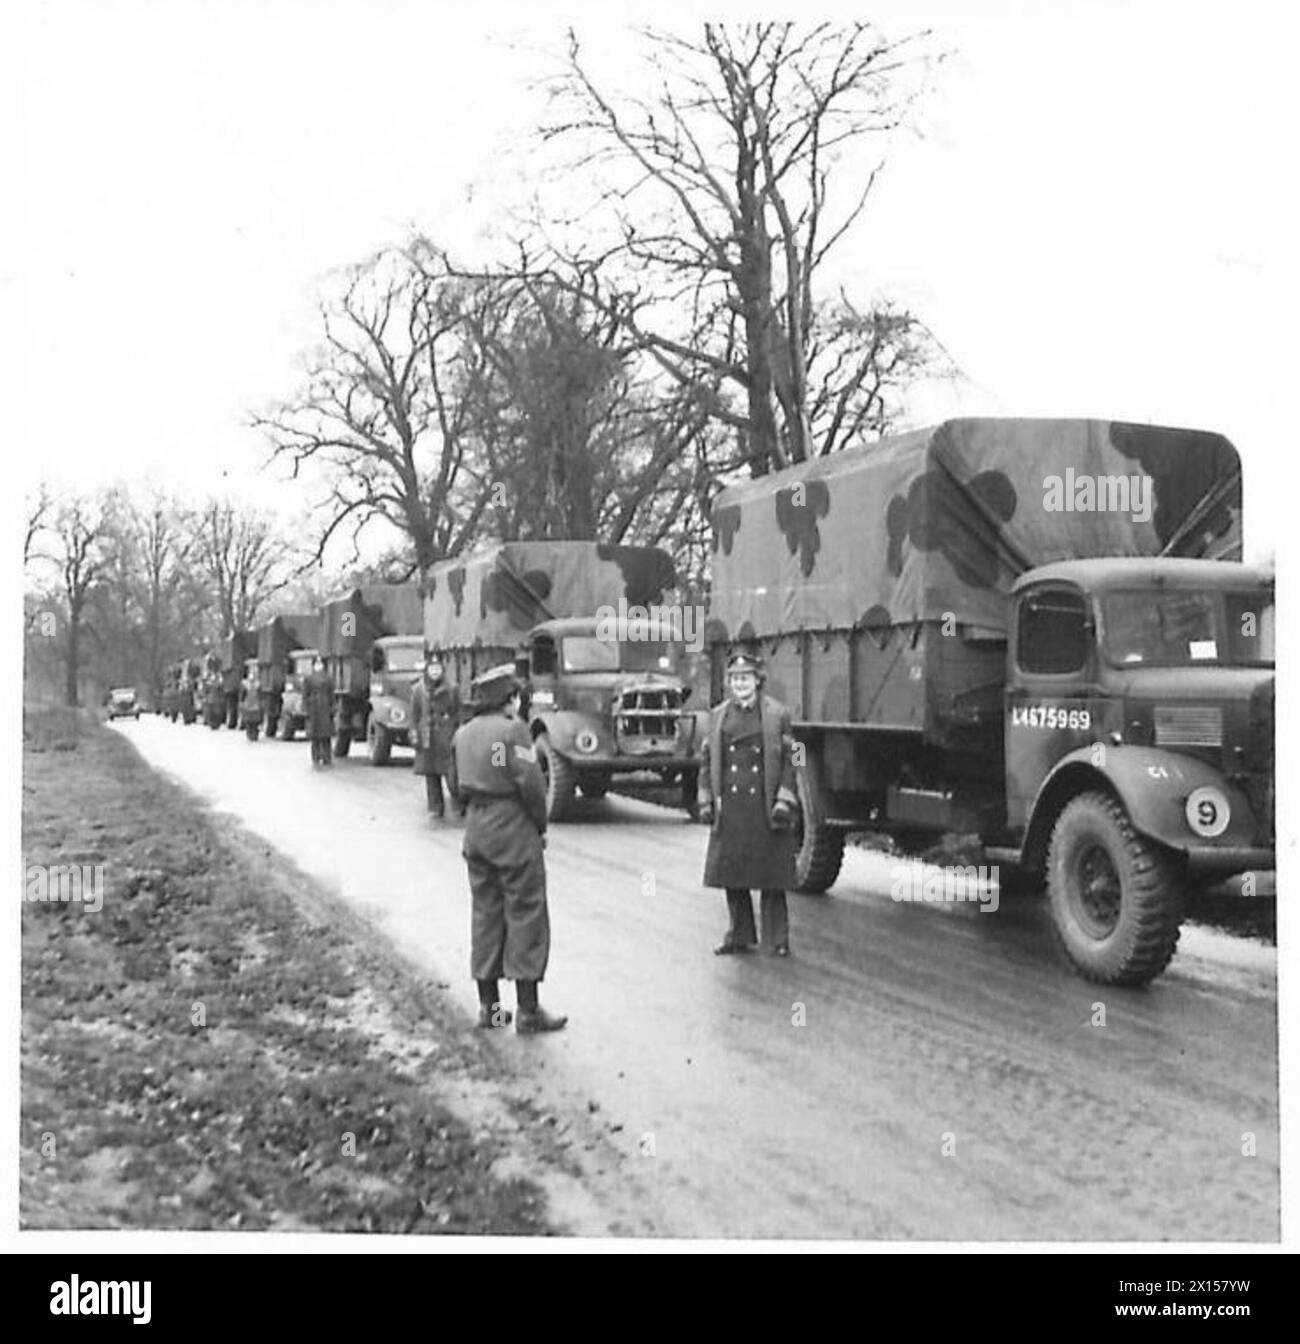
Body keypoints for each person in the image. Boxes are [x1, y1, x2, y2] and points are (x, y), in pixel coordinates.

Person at [449, 664, 566, 1034]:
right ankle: (528, 1012)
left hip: (477, 830)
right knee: (525, 913)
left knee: (485, 915)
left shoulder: (463, 734)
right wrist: (540, 825)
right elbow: (529, 783)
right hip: (512, 829)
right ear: (509, 699)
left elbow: (455, 782)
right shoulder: (512, 732)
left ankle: (491, 1010)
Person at [697, 651, 800, 956]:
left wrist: (785, 799)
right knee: (733, 875)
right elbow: (706, 761)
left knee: (772, 877)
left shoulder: (778, 715)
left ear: (758, 681)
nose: (740, 684)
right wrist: (705, 800)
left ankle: (778, 940)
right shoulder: (717, 716)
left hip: (765, 807)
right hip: (731, 807)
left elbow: (793, 759)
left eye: (746, 678)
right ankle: (739, 935)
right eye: (735, 679)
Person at [410, 653, 461, 819]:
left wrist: (455, 732)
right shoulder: (419, 690)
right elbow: (414, 714)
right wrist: (414, 734)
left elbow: (457, 713)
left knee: (451, 774)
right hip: (427, 737)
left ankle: (459, 804)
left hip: (445, 737)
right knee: (431, 774)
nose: (435, 671)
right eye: (432, 668)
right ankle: (435, 807)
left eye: (438, 668)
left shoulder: (452, 688)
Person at [302, 655, 334, 768]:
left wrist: (332, 708)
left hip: (325, 708)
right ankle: (315, 757)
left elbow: (332, 695)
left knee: (326, 736)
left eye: (320, 663)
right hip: (313, 708)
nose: (318, 665)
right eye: (317, 663)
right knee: (315, 736)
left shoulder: (328, 678)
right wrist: (306, 709)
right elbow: (305, 695)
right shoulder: (308, 678)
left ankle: (327, 757)